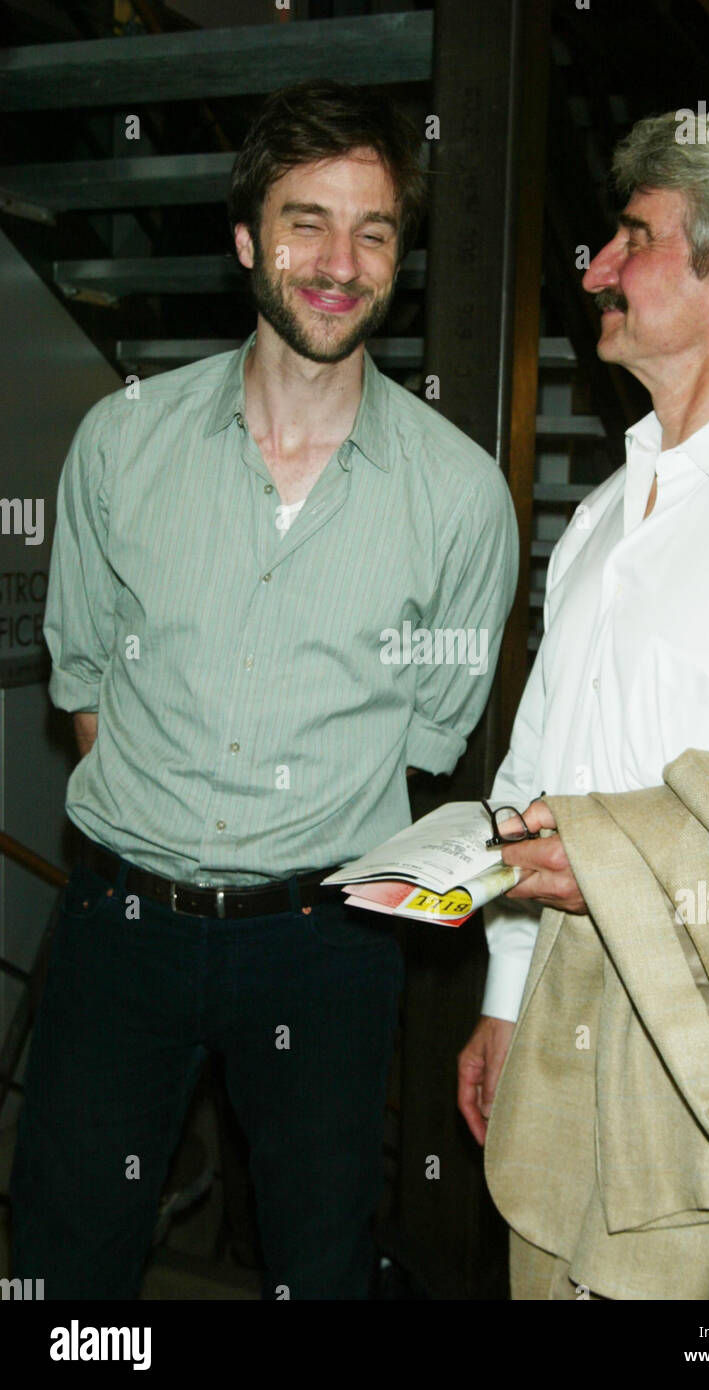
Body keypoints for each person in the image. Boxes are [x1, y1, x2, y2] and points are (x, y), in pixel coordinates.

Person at [12, 79, 518, 1300]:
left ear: (400, 254)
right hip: (117, 930)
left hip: (325, 945)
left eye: (375, 230)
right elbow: (84, 696)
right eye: (307, 222)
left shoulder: (460, 499)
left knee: (321, 1265)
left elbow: (421, 753)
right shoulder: (120, 446)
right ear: (247, 241)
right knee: (66, 1268)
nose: (339, 263)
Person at [459, 110, 709, 1299]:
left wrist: (627, 875)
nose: (592, 267)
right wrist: (504, 993)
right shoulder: (598, 515)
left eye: (631, 237)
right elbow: (534, 775)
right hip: (566, 1005)